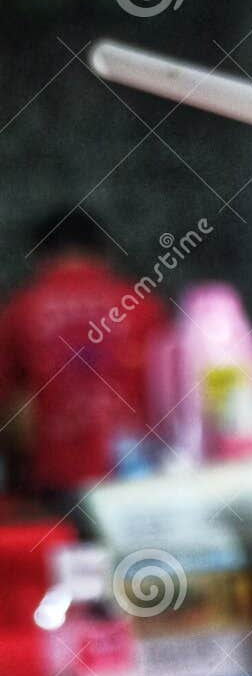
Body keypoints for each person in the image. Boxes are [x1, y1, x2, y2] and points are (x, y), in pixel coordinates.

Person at [0, 207, 167, 498]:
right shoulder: (144, 306)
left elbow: (8, 409)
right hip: (139, 479)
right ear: (104, 252)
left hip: (53, 486)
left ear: (41, 255)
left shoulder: (19, 311)